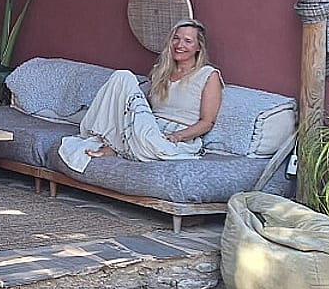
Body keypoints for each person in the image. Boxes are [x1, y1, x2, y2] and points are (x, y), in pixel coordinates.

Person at [58, 18, 224, 173]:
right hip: (148, 129)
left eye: (188, 41)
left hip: (175, 140)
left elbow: (207, 122)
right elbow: (148, 112)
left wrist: (177, 136)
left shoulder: (208, 75)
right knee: (121, 77)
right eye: (176, 38)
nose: (179, 44)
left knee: (125, 77)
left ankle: (118, 147)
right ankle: (117, 145)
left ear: (198, 47)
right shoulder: (161, 72)